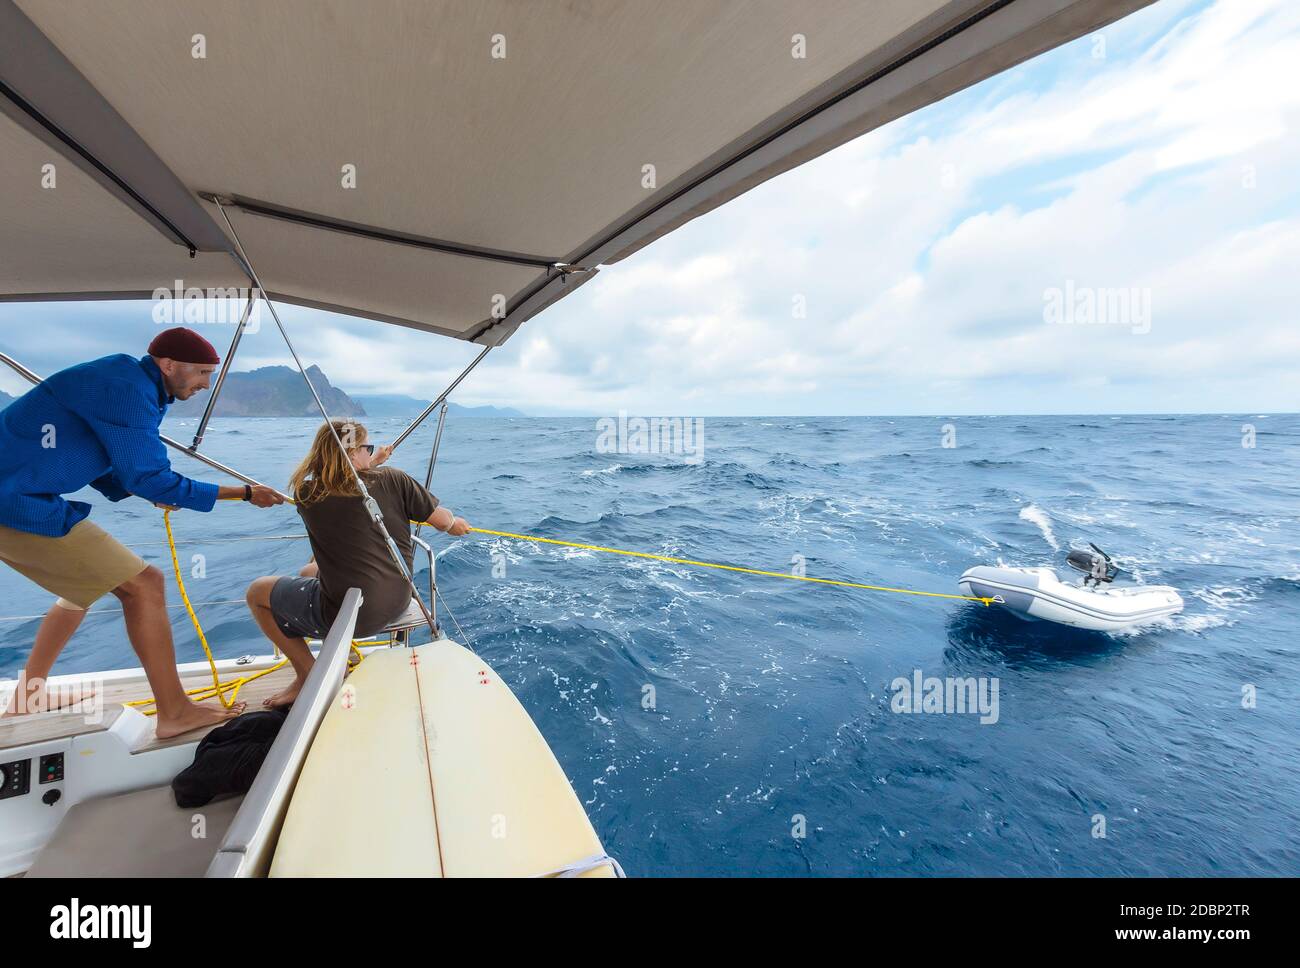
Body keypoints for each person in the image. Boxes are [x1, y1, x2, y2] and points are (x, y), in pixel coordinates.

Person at [0, 327, 285, 736]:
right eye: (202, 373)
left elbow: (95, 451)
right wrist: (243, 493)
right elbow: (150, 475)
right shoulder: (128, 391)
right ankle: (174, 713)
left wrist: (138, 488)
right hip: (13, 501)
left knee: (86, 584)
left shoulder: (127, 381)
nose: (207, 384)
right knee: (145, 585)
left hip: (19, 492)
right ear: (168, 365)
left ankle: (28, 697)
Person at [245, 419, 469, 708]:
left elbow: (348, 487)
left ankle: (310, 668)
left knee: (258, 592)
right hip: (396, 601)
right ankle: (314, 671)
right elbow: (445, 522)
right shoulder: (394, 480)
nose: (371, 452)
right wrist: (457, 524)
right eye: (367, 447)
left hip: (352, 613)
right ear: (352, 455)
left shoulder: (307, 494)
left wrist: (370, 461)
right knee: (302, 575)